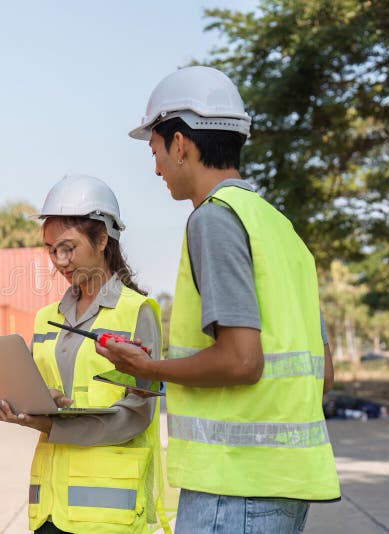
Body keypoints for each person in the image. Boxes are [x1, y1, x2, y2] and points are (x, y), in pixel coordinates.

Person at [97, 66, 339, 533]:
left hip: (235, 490)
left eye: (156, 150)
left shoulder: (215, 218)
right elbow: (322, 375)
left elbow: (243, 362)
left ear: (181, 143)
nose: (156, 168)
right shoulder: (281, 229)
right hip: (284, 487)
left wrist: (149, 369)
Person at [0, 175, 172, 534]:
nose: (59, 260)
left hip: (107, 514)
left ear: (103, 238)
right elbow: (32, 392)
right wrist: (30, 405)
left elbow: (137, 414)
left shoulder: (137, 312)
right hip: (50, 511)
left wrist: (52, 423)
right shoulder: (47, 318)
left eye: (68, 247)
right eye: (50, 249)